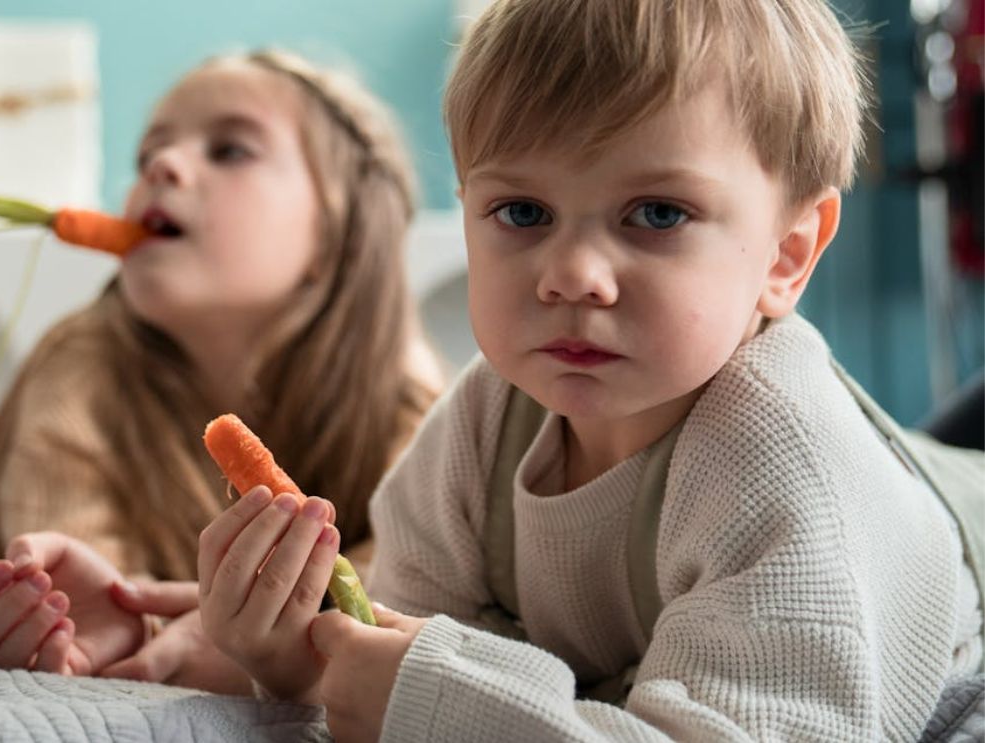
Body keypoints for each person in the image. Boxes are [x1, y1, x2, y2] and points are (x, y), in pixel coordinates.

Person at [196, 1, 984, 740]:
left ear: (787, 254)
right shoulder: (482, 425)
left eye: (656, 214)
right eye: (523, 213)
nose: (570, 274)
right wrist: (307, 659)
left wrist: (436, 705)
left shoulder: (786, 472)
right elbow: (404, 654)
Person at [0, 48, 442, 685]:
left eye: (229, 149)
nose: (163, 166)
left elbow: (422, 581)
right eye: (147, 156)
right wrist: (122, 622)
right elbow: (80, 560)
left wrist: (269, 637)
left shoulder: (408, 393)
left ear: (337, 233)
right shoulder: (84, 364)